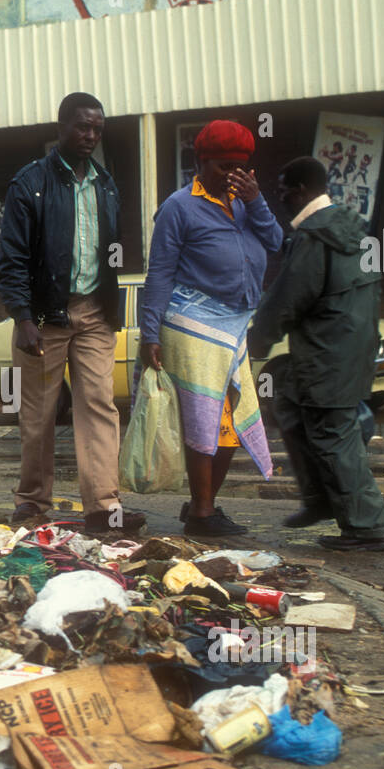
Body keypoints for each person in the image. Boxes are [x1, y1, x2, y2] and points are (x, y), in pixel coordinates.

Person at [0, 92, 145, 533]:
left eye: (98, 128)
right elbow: (12, 257)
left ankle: (103, 506)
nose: (91, 135)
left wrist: (112, 308)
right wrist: (23, 316)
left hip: (96, 313)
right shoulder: (31, 183)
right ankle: (31, 503)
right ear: (61, 127)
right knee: (39, 412)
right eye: (82, 126)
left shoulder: (105, 182)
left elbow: (111, 251)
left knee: (99, 405)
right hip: (44, 317)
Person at [139, 119, 281, 537]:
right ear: (200, 162)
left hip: (234, 329)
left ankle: (203, 505)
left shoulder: (246, 203)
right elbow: (159, 273)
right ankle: (202, 512)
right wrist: (150, 333)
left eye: (241, 168)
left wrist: (256, 202)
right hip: (190, 325)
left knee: (232, 421)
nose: (231, 176)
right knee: (207, 421)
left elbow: (276, 243)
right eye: (222, 167)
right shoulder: (178, 207)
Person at [249, 156, 384, 552]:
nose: (282, 199)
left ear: (302, 191)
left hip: (328, 354)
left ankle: (367, 527)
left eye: (284, 192)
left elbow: (289, 297)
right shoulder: (355, 230)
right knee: (289, 403)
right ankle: (320, 500)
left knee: (334, 436)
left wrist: (257, 341)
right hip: (351, 348)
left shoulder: (314, 237)